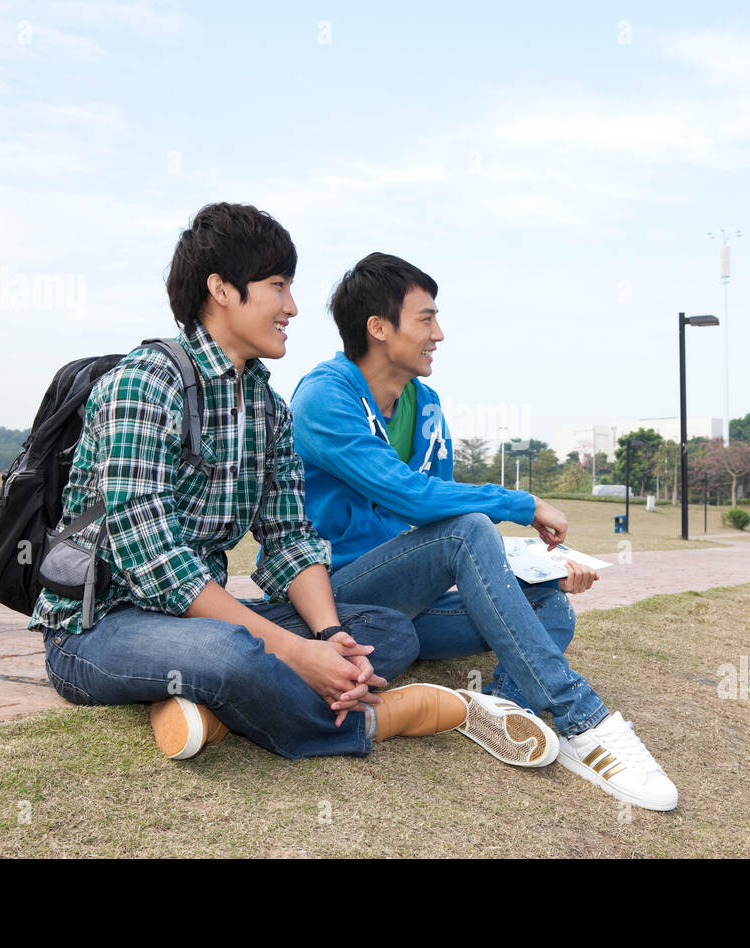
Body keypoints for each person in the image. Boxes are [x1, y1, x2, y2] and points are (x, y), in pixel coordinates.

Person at [28, 205, 557, 766]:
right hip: (102, 627)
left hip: (195, 622)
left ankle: (203, 708)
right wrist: (297, 654)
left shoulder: (268, 409)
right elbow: (157, 563)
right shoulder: (142, 384)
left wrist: (327, 638)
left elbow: (290, 539)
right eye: (278, 287)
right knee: (231, 653)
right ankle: (374, 722)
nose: (292, 307)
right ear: (221, 290)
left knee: (385, 630)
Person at [286, 252, 679, 810]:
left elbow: (437, 512)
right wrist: (520, 502)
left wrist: (535, 569)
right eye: (425, 319)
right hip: (336, 596)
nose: (439, 334)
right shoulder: (325, 396)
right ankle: (583, 720)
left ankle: (493, 708)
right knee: (469, 528)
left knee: (550, 607)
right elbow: (410, 496)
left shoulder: (427, 405)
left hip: (408, 603)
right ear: (378, 328)